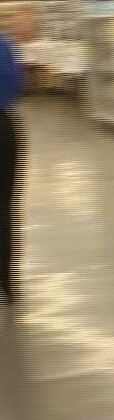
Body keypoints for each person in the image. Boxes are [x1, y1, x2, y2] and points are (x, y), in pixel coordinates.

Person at [0, 25, 22, 304]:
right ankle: (6, 280)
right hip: (3, 126)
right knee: (4, 207)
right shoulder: (3, 43)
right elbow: (17, 83)